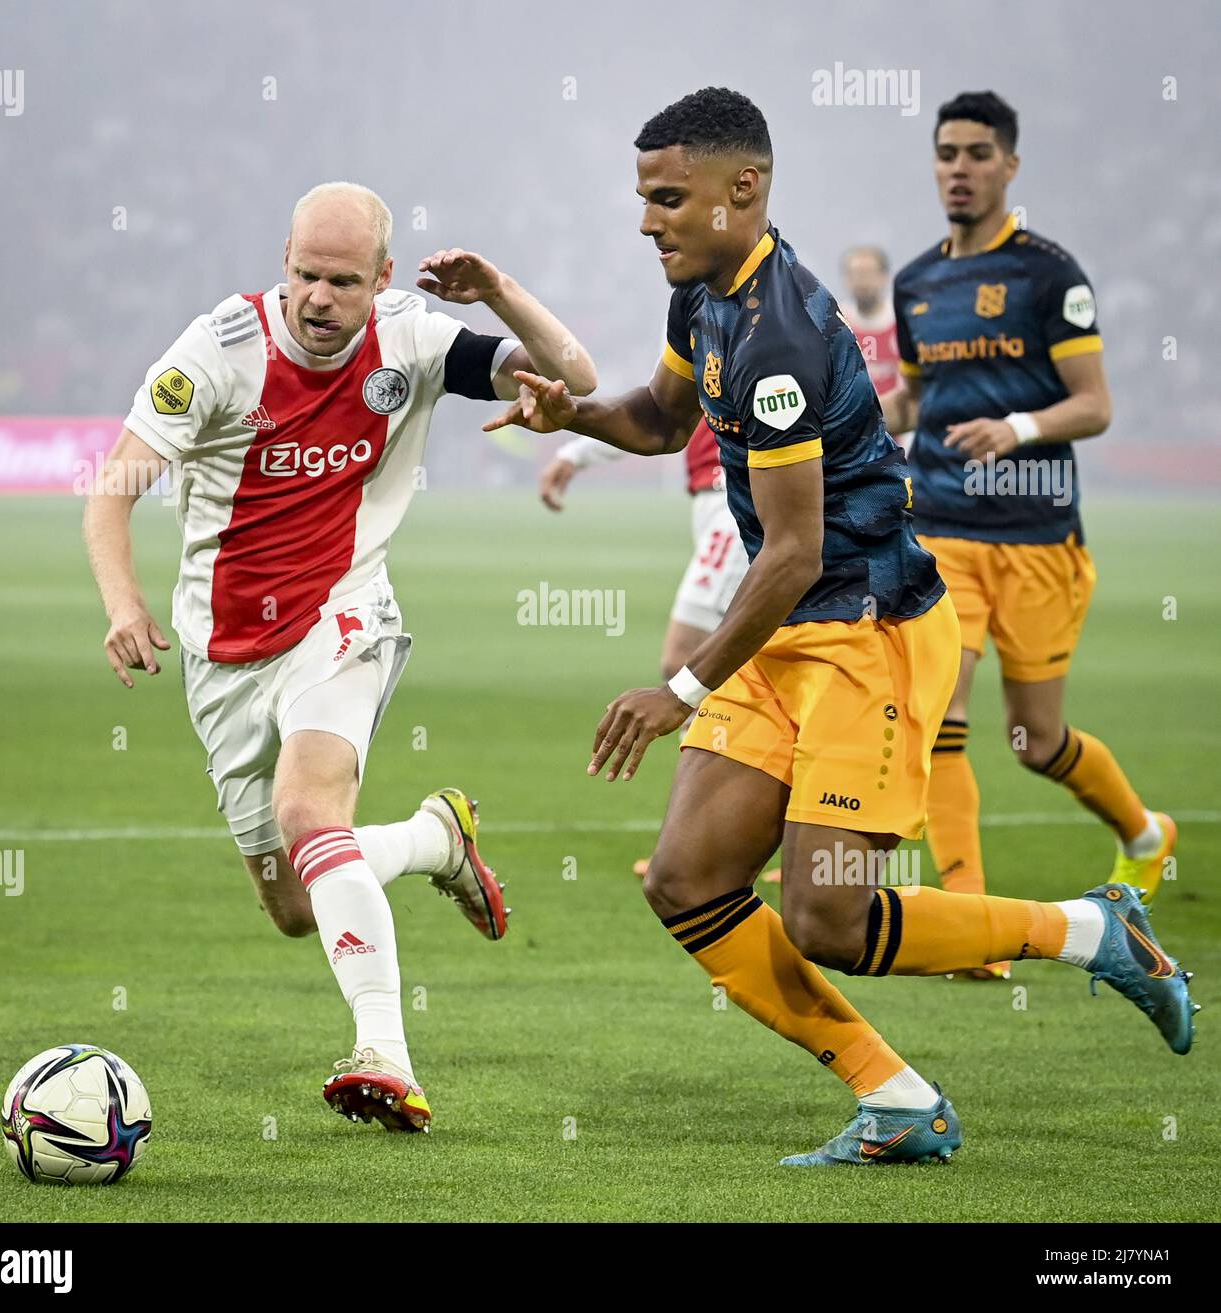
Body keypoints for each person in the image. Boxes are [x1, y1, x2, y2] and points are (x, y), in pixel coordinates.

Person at [486, 88, 1196, 1166]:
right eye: (641, 197)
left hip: (867, 633)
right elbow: (661, 416)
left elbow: (793, 551)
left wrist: (676, 691)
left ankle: (1095, 930)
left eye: (667, 198)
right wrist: (572, 413)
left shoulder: (777, 332)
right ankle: (896, 1096)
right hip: (785, 633)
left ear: (744, 189)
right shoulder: (703, 294)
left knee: (830, 916)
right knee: (687, 881)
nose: (646, 221)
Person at [83, 182, 596, 1134]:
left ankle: (384, 1054)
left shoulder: (412, 338)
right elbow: (110, 489)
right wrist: (124, 605)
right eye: (305, 276)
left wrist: (497, 292)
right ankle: (435, 839)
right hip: (223, 648)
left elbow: (577, 372)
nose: (320, 299)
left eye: (344, 281)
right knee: (291, 903)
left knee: (308, 809)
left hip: (343, 610)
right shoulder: (217, 354)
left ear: (384, 280)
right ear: (284, 264)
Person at [883, 92, 1175, 985]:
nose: (958, 169)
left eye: (977, 153)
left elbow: (1095, 404)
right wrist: (858, 428)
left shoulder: (1052, 276)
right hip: (941, 531)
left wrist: (1013, 429)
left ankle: (1145, 834)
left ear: (1010, 165)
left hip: (1041, 534)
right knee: (941, 723)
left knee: (1036, 741)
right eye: (946, 153)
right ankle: (973, 922)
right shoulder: (916, 283)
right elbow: (913, 398)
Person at [538, 419, 757, 879]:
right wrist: (576, 453)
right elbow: (657, 413)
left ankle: (702, 843)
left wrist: (574, 455)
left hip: (738, 499)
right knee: (752, 673)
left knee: (685, 660)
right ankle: (773, 834)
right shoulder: (702, 352)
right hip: (718, 497)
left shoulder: (756, 348)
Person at [838, 245, 901, 403]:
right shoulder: (835, 323)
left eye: (868, 274)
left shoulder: (902, 320)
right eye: (855, 274)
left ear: (884, 277)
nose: (862, 282)